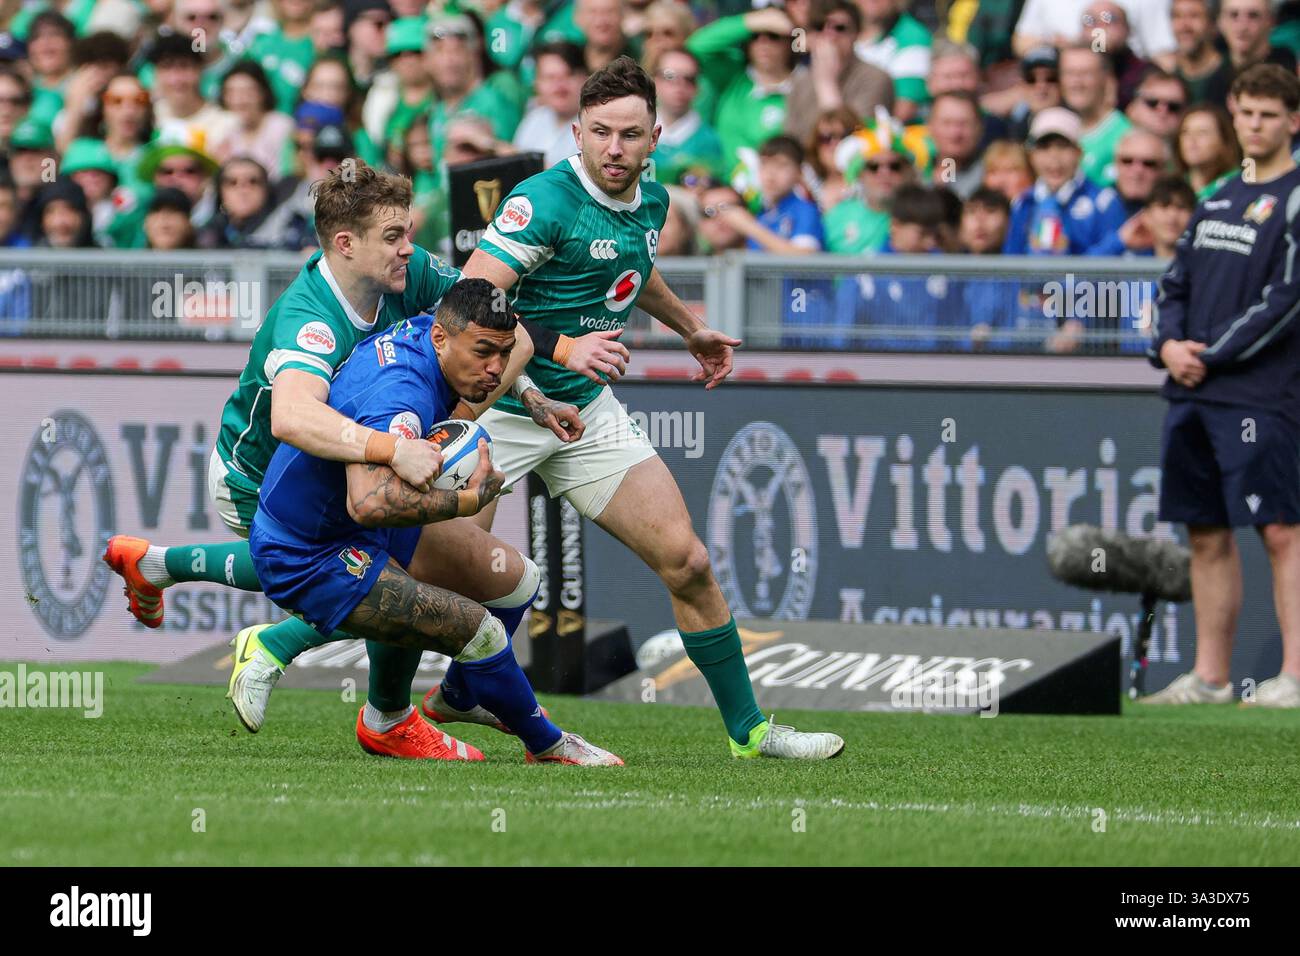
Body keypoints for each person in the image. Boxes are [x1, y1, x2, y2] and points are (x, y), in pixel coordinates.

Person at [101, 160, 627, 733]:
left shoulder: (407, 274)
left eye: (408, 233)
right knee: (362, 576)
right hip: (258, 478)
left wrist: (528, 394)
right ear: (346, 244)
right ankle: (333, 683)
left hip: (338, 470)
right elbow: (293, 416)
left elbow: (485, 324)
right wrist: (392, 450)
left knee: (398, 575)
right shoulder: (311, 319)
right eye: (393, 237)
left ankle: (158, 567)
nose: (409, 248)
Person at [459, 56, 844, 760]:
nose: (614, 148)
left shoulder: (655, 202)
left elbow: (634, 266)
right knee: (438, 569)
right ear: (575, 132)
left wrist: (689, 327)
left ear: (656, 136)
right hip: (499, 407)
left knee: (687, 559)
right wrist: (562, 346)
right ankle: (342, 683)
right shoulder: (542, 200)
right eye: (600, 132)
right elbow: (469, 302)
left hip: (583, 414)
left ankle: (750, 734)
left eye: (630, 135)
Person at [249, 279, 623, 764]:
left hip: (356, 527)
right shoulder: (403, 396)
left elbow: (520, 342)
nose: (494, 369)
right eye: (484, 353)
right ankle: (549, 744)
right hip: (313, 552)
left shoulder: (435, 330)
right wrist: (467, 502)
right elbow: (369, 502)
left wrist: (532, 398)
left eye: (502, 354)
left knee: (517, 581)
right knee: (480, 632)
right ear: (443, 340)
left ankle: (460, 697)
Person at [1142, 64, 1300, 708]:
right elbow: (1173, 284)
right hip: (1191, 390)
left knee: (1282, 531)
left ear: (1293, 120)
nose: (1254, 125)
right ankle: (1210, 677)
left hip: (1259, 393)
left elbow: (1287, 299)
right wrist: (1167, 346)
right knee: (1204, 531)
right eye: (1245, 113)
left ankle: (1294, 677)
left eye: (1268, 114)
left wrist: (1213, 354)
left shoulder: (1294, 195)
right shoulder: (1213, 197)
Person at [1003, 107, 1128, 256]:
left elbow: (1109, 272)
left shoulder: (1104, 202)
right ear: (1032, 155)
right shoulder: (1023, 202)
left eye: (1063, 146)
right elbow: (1011, 263)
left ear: (1079, 152)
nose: (1054, 156)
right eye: (1044, 147)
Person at [783, 0, 893, 143]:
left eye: (840, 28)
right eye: (819, 26)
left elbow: (852, 142)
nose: (829, 35)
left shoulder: (875, 78)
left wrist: (826, 83)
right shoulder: (800, 81)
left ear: (856, 34)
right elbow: (791, 141)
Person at [1059, 44, 1133, 188]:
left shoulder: (1125, 135)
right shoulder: (1054, 128)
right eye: (1069, 73)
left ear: (1105, 79)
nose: (1077, 82)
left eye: (1086, 73)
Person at [512, 40, 584, 170]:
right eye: (550, 78)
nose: (559, 86)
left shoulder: (595, 126)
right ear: (537, 84)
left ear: (585, 78)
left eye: (568, 75)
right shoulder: (534, 119)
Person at [1177, 104, 1242, 199]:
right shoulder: (1173, 186)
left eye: (1202, 132)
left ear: (1225, 141)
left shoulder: (1239, 186)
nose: (1191, 139)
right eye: (1185, 132)